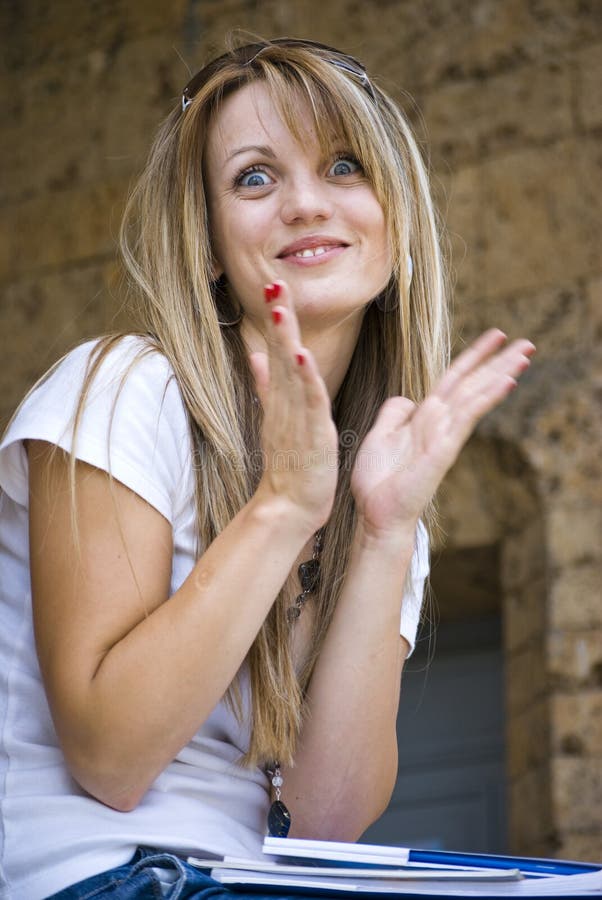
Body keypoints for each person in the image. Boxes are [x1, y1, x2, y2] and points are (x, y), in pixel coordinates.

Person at [0, 37, 535, 900]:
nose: (305, 203)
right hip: (106, 874)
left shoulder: (382, 488)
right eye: (254, 177)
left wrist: (387, 532)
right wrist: (283, 508)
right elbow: (111, 758)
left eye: (344, 166)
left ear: (395, 223)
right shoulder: (129, 388)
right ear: (210, 244)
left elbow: (325, 820)